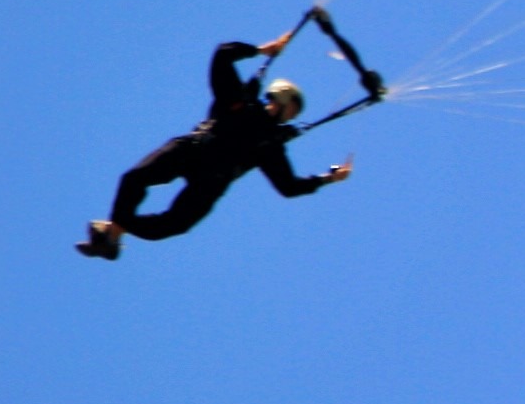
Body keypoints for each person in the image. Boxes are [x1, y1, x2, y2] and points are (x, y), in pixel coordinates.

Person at [76, 31, 352, 258]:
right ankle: (112, 234)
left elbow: (288, 187)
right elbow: (222, 54)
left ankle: (111, 233)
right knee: (133, 179)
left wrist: (328, 178)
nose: (292, 116)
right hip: (193, 150)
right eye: (293, 109)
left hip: (210, 182)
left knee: (173, 225)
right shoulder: (239, 101)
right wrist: (260, 50)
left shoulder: (271, 144)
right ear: (283, 99)